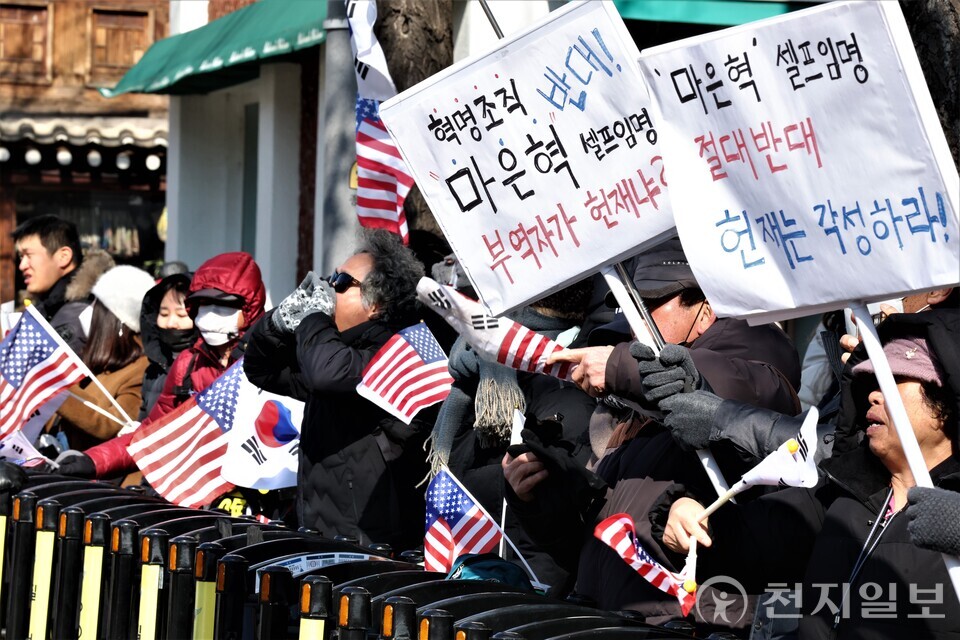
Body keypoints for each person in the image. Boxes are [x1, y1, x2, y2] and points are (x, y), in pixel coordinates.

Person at [501, 237, 801, 623]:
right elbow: (599, 543)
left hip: (690, 623)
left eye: (651, 304)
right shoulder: (634, 417)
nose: (632, 322)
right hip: (614, 621)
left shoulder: (756, 366)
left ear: (705, 311)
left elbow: (727, 392)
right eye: (630, 306)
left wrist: (621, 368)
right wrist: (545, 493)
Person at [659, 306, 959, 638]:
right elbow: (740, 551)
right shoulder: (839, 494)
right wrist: (692, 518)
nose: (874, 394)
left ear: (949, 397)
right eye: (871, 381)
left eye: (897, 378)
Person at [244, 229, 427, 549]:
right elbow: (262, 369)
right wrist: (277, 323)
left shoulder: (394, 355)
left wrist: (313, 317)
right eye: (331, 279)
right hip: (320, 532)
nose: (329, 289)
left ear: (377, 305)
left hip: (373, 546)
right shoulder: (331, 349)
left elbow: (327, 373)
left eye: (341, 283)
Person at [433, 278, 596, 594]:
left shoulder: (564, 390)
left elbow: (557, 540)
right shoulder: (473, 378)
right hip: (463, 585)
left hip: (515, 603)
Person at [56, 252, 266, 479]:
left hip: (263, 496)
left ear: (249, 308)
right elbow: (152, 435)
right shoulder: (188, 364)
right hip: (198, 495)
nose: (209, 314)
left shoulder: (272, 362)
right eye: (201, 304)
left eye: (223, 305)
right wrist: (93, 461)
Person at [47, 266, 156, 451]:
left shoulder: (140, 368)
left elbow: (110, 423)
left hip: (92, 473)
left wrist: (55, 385)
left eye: (96, 305)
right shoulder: (100, 357)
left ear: (116, 319)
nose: (88, 312)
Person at [12, 215, 114, 353]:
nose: (22, 265)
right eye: (20, 257)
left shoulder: (88, 312)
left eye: (29, 255)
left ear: (63, 256)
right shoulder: (43, 308)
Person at [137, 272, 196, 419]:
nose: (170, 323)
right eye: (164, 314)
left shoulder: (205, 370)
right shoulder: (153, 370)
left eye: (182, 315)